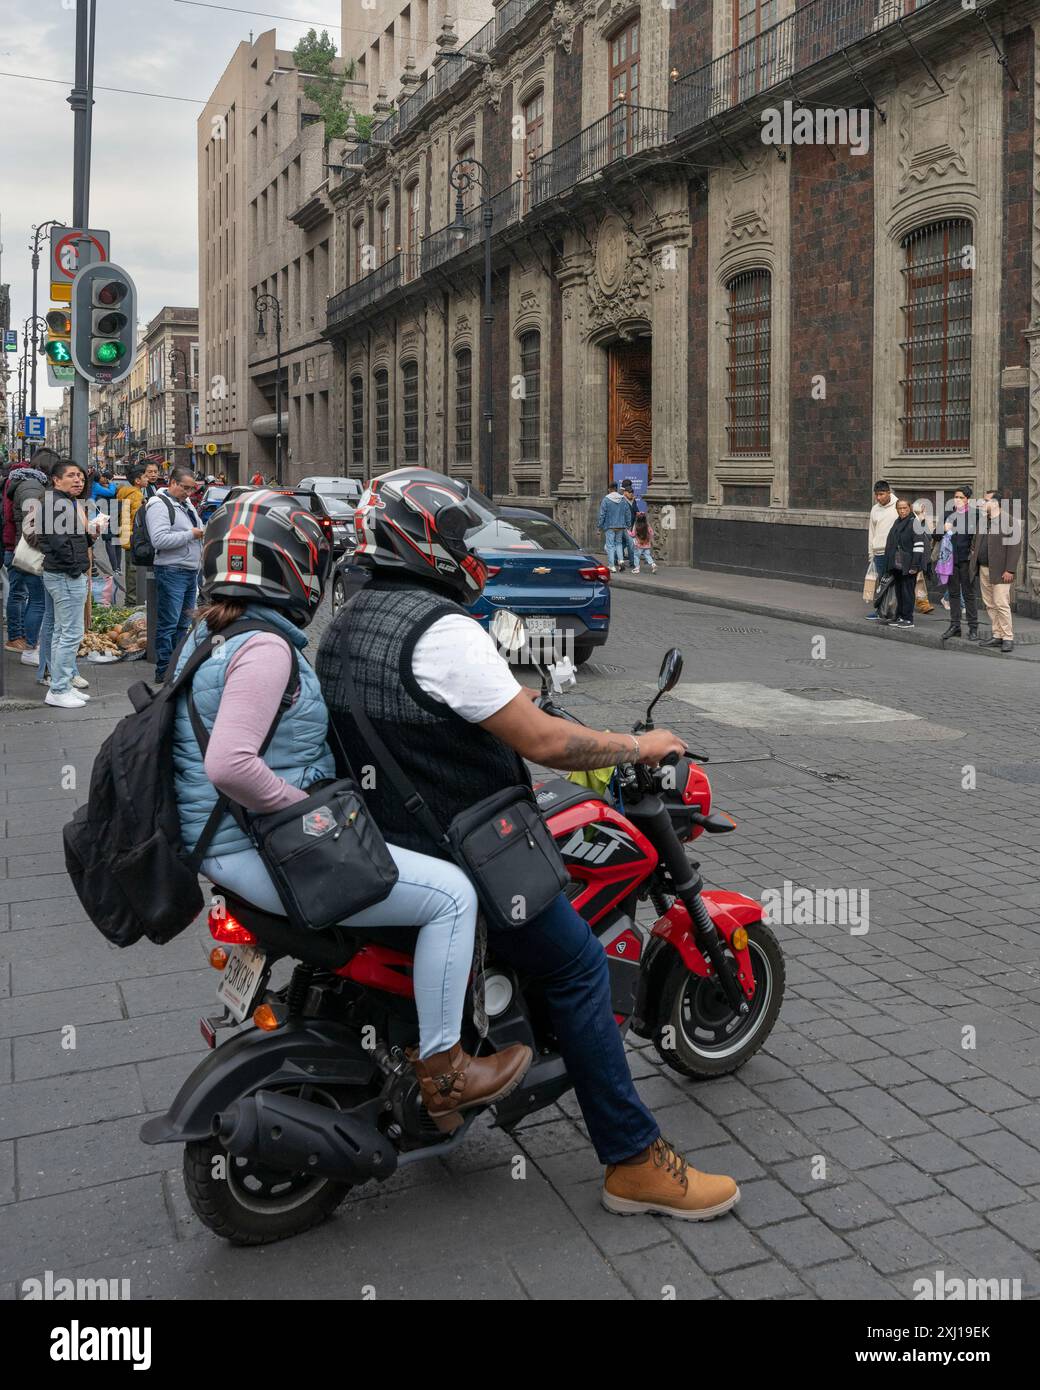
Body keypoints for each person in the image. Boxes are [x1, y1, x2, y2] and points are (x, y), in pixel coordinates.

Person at [316, 467, 740, 1222]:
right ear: (422, 544)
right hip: (461, 844)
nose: (469, 555)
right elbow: (544, 742)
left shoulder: (350, 617)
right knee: (576, 963)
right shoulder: (441, 628)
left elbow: (417, 718)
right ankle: (634, 1160)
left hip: (385, 837)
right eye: (457, 540)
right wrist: (635, 746)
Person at [175, 494, 531, 1129]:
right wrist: (309, 814)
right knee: (451, 896)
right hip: (257, 842)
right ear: (287, 567)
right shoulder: (265, 647)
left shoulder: (216, 632)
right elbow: (229, 764)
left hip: (228, 846)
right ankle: (446, 1071)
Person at [37, 459, 107, 709]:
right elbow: (59, 543)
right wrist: (76, 569)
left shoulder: (62, 501)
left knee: (62, 633)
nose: (78, 480)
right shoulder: (56, 503)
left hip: (64, 573)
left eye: (80, 475)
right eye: (71, 476)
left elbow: (73, 539)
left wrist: (90, 537)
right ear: (56, 480)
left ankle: (62, 684)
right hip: (66, 575)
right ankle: (59, 689)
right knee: (70, 634)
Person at [146, 465, 203, 682]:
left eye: (192, 489)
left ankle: (177, 667)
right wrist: (191, 534)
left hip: (190, 570)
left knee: (183, 623)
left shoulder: (185, 503)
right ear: (172, 483)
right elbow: (159, 540)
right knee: (168, 623)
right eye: (185, 488)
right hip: (171, 570)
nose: (189, 493)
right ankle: (163, 670)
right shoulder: (159, 505)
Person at [2, 451, 53, 660]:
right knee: (37, 599)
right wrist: (44, 545)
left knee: (17, 593)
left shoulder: (21, 481)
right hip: (25, 550)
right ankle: (29, 644)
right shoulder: (32, 486)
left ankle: (17, 637)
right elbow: (31, 524)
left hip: (13, 547)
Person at [971, 492, 1021, 653]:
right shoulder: (984, 520)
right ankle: (997, 634)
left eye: (985, 501)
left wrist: (1010, 569)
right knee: (990, 604)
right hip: (984, 568)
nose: (982, 503)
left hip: (1001, 571)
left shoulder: (1009, 521)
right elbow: (976, 542)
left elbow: (1015, 548)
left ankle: (1007, 637)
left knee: (1001, 603)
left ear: (995, 503)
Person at [882, 498, 926, 629]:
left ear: (910, 508)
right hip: (897, 565)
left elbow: (919, 546)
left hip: (909, 564)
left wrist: (914, 566)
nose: (902, 511)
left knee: (907, 592)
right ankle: (900, 616)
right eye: (899, 508)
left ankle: (908, 619)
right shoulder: (897, 522)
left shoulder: (914, 522)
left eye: (904, 508)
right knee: (900, 591)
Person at [940, 486, 978, 640]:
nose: (958, 499)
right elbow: (936, 536)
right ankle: (955, 625)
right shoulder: (948, 514)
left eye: (961, 497)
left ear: (967, 499)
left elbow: (977, 538)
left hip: (966, 561)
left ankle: (973, 627)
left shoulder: (975, 515)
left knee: (969, 595)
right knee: (954, 594)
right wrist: (944, 529)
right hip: (950, 561)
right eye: (956, 497)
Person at [865, 480, 899, 620]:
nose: (878, 498)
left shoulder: (899, 506)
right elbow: (871, 532)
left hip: (894, 553)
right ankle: (881, 610)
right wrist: (870, 554)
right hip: (878, 552)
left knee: (895, 584)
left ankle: (895, 612)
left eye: (881, 494)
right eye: (876, 495)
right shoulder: (875, 509)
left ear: (889, 492)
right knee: (881, 584)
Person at [116, 462, 147, 606]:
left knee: (130, 571)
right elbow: (138, 520)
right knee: (134, 573)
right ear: (138, 480)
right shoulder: (136, 495)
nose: (148, 479)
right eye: (145, 476)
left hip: (126, 536)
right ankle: (132, 603)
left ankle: (130, 600)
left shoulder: (126, 493)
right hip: (134, 538)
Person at [597, 480, 633, 575]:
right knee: (619, 544)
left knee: (610, 545)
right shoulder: (623, 499)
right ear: (616, 489)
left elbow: (602, 515)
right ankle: (621, 561)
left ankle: (612, 565)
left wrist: (599, 526)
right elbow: (628, 513)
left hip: (609, 526)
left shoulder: (606, 499)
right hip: (621, 526)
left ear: (609, 489)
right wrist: (628, 525)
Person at [911, 500, 936, 615]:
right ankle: (922, 604)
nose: (925, 511)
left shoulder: (924, 522)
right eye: (923, 509)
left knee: (919, 581)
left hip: (924, 556)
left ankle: (922, 603)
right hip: (915, 557)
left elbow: (929, 538)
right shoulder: (913, 522)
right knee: (918, 581)